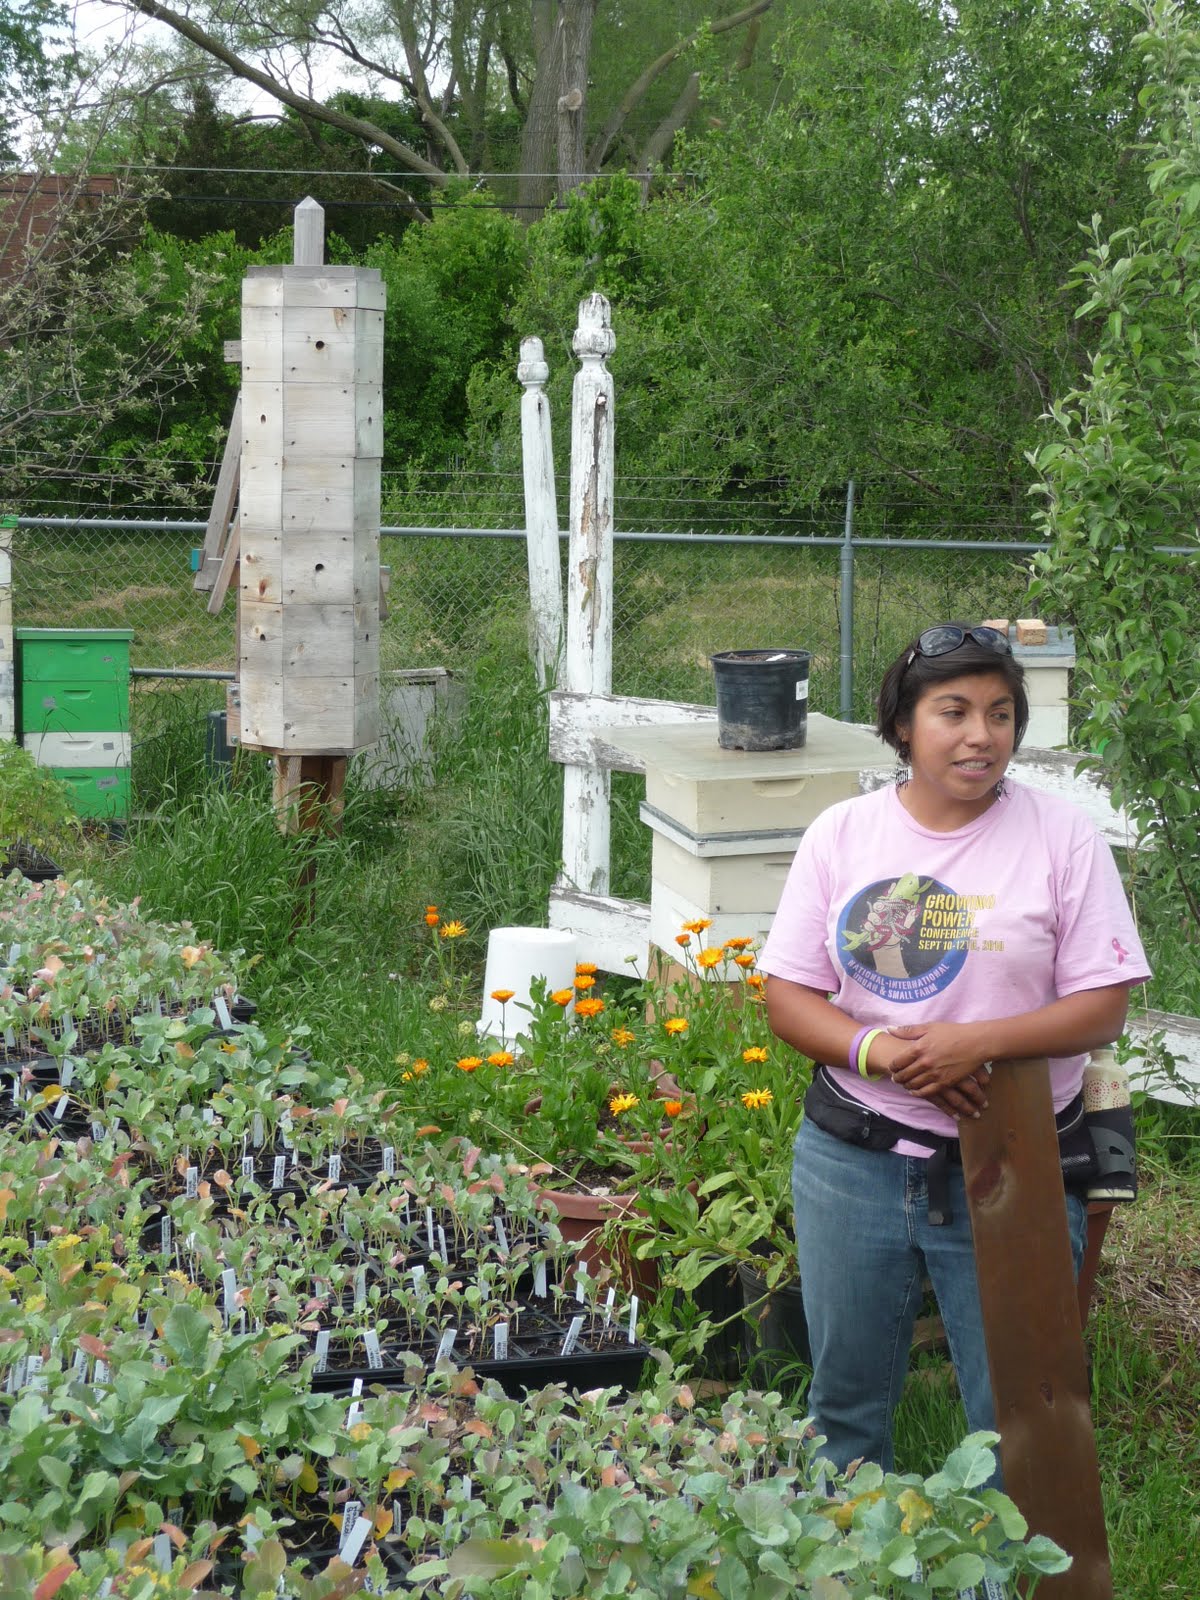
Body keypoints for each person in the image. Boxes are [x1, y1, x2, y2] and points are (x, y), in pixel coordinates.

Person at [759, 623, 1150, 1473]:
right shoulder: (844, 834)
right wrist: (882, 1053)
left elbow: (1103, 1006)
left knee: (1021, 1416)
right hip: (852, 1159)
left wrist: (974, 1044)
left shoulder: (1060, 836)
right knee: (846, 1407)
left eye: (1002, 714)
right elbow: (787, 994)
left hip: (1015, 1164)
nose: (983, 734)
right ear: (904, 724)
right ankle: (859, 1566)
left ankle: (994, 1575)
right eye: (955, 711)